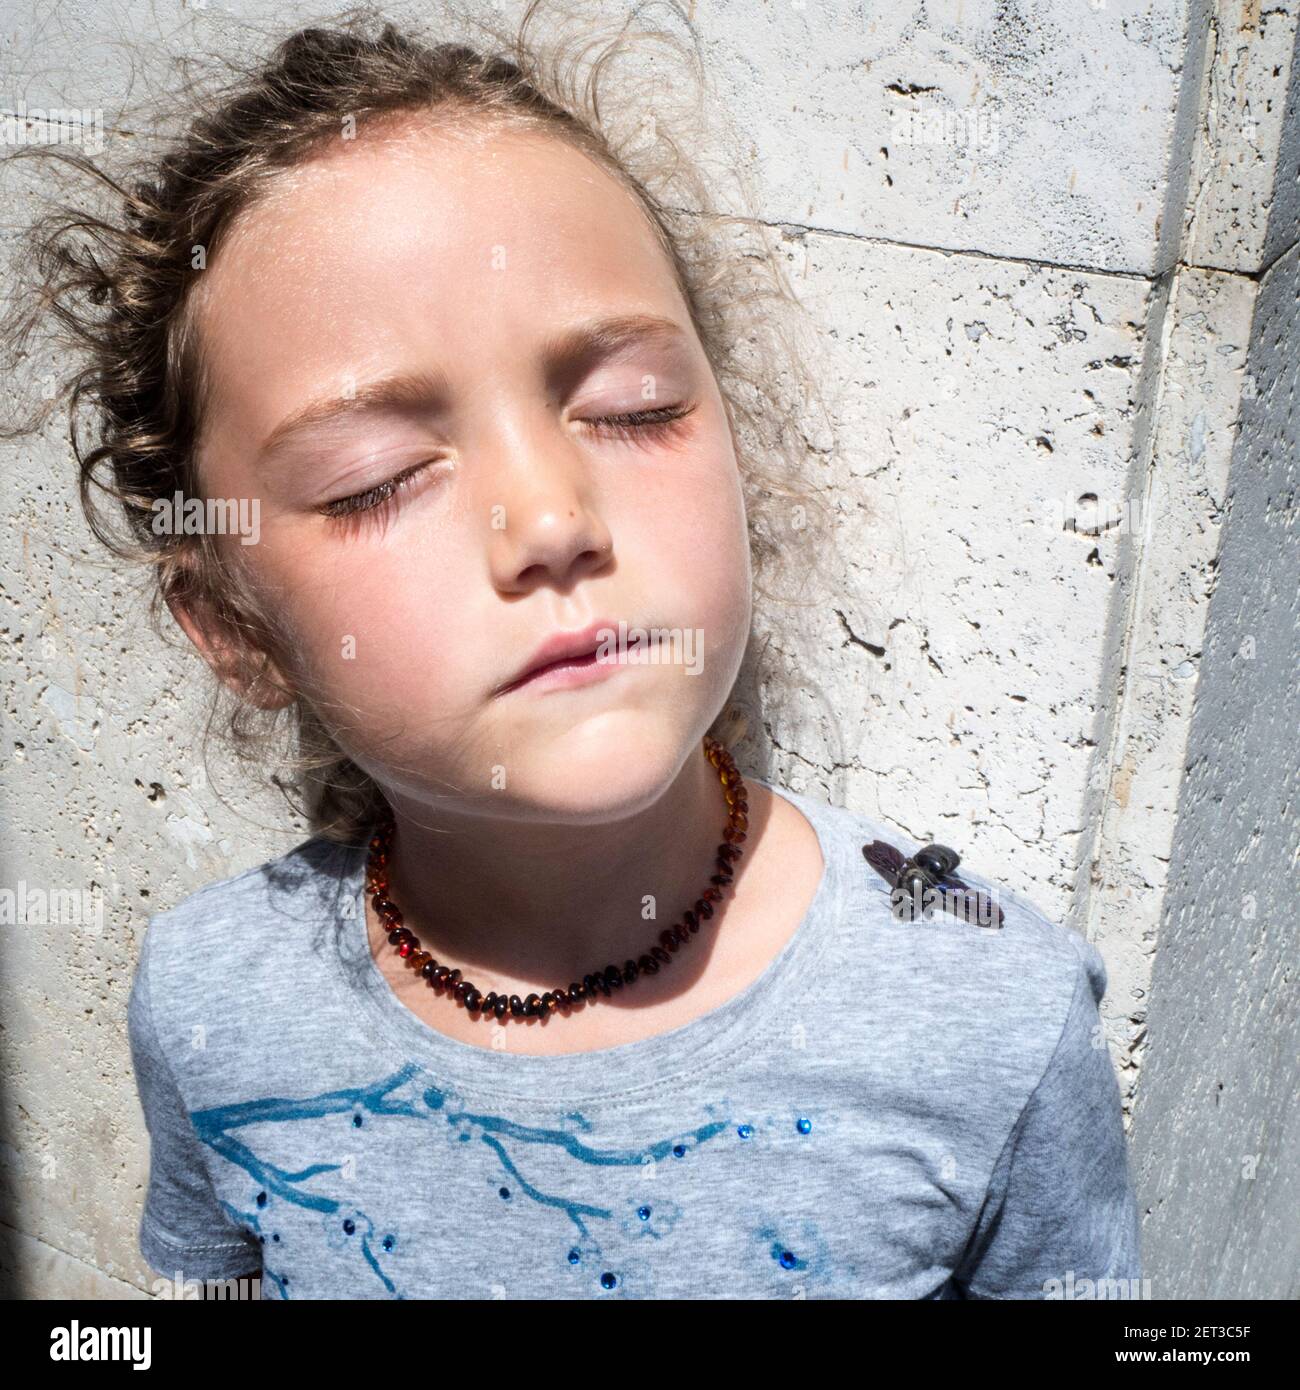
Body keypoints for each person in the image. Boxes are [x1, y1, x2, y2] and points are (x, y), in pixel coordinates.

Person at [2, 5, 1141, 1299]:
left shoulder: (992, 1010)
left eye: (632, 407)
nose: (549, 519)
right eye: (374, 478)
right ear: (231, 626)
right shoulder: (214, 1003)